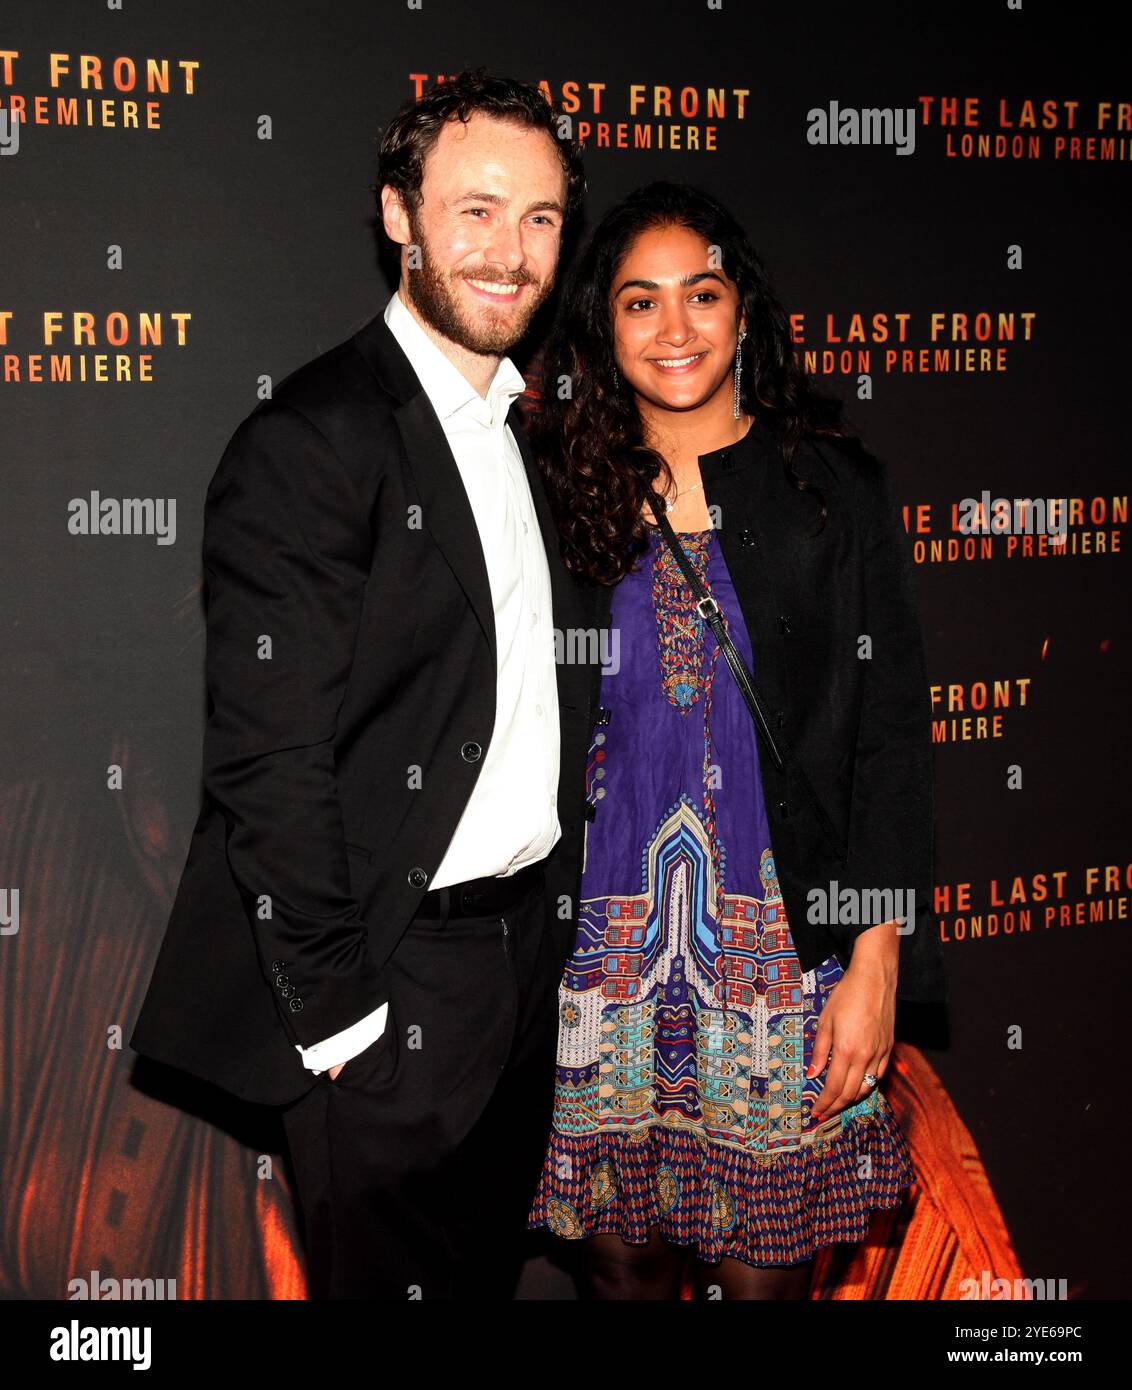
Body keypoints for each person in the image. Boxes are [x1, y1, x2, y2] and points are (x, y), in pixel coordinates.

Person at [130, 69, 595, 1299]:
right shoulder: (313, 438)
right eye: (476, 210)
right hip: (388, 987)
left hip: (518, 977)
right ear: (399, 214)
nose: (510, 251)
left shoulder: (525, 434)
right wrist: (345, 1030)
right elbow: (266, 763)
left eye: (540, 217)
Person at [526, 181, 948, 1299]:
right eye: (639, 303)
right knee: (620, 1270)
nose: (674, 330)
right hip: (602, 955)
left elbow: (890, 740)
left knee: (763, 1279)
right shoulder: (562, 493)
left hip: (784, 947)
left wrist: (875, 961)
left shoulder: (833, 490)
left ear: (744, 310)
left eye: (700, 295)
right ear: (603, 333)